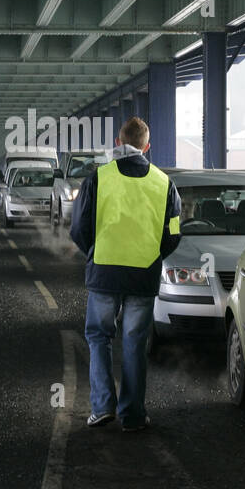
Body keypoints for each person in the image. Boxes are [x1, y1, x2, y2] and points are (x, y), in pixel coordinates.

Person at [69, 116, 181, 432]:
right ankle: (132, 415)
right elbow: (174, 232)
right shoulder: (164, 183)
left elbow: (78, 228)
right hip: (143, 276)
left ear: (118, 143)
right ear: (148, 146)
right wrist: (152, 254)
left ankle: (102, 407)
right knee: (133, 343)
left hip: (104, 274)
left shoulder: (98, 178)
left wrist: (96, 252)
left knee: (99, 337)